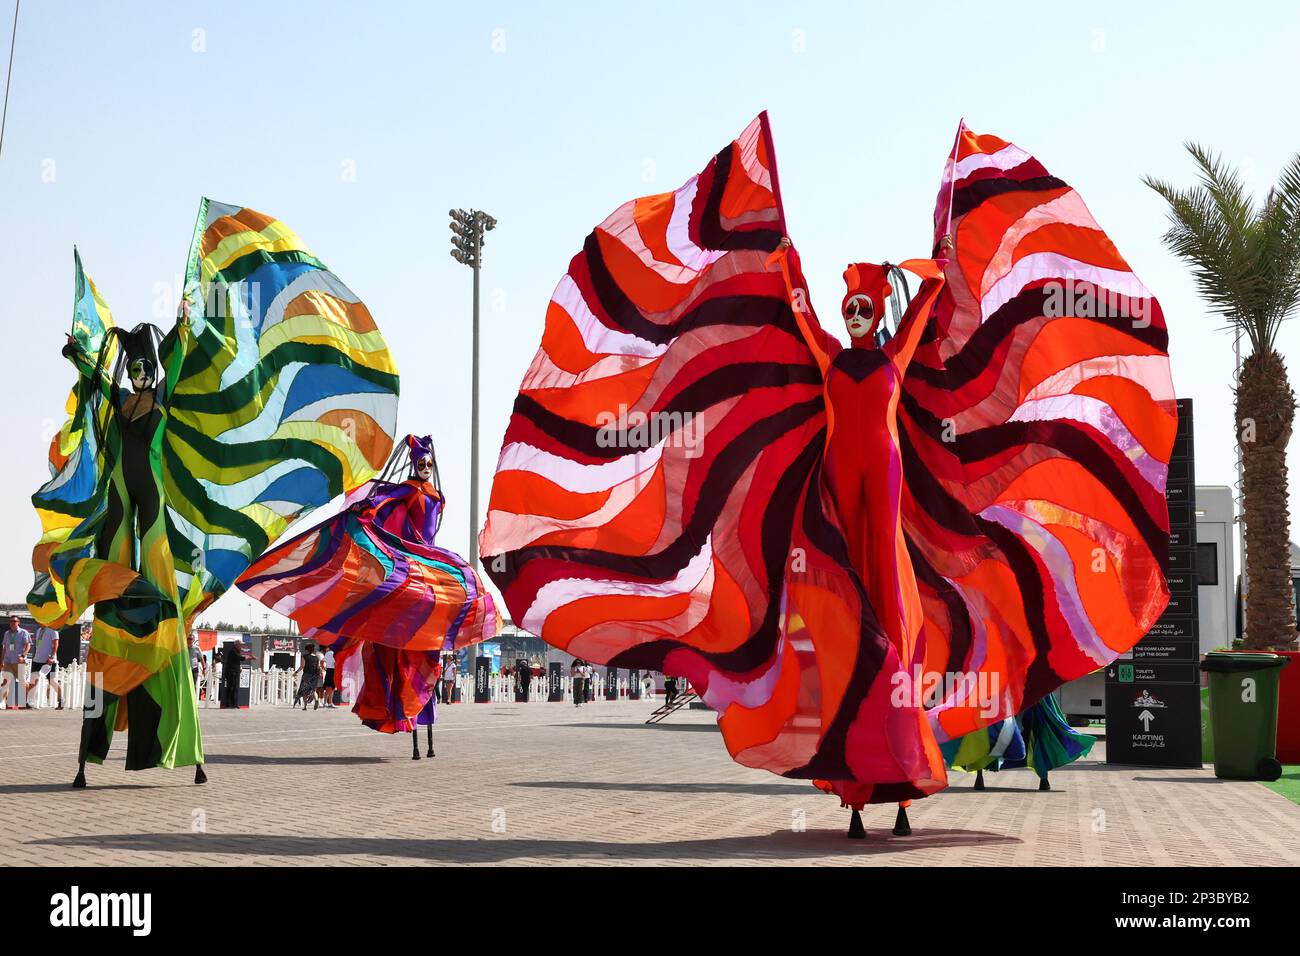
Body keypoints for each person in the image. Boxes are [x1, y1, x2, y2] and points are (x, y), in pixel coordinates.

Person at [24, 623, 62, 709]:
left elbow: (56, 644)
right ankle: (30, 702)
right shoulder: (39, 630)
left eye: (40, 619)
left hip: (49, 660)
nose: (38, 621)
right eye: (37, 620)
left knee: (52, 682)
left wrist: (52, 657)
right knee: (33, 682)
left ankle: (61, 700)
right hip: (37, 660)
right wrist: (35, 656)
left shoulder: (53, 630)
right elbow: (39, 645)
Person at [2, 615, 33, 709]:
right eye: (11, 621)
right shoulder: (7, 633)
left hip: (19, 661)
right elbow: (4, 648)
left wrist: (23, 656)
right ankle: (7, 703)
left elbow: (28, 645)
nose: (12, 623)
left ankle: (25, 702)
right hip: (8, 661)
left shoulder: (23, 632)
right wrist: (1, 660)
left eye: (14, 621)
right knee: (6, 681)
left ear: (18, 622)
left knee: (22, 682)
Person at [294, 646, 321, 710]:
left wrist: (296, 672)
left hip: (306, 675)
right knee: (313, 690)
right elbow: (318, 667)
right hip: (314, 676)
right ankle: (316, 700)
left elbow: (302, 666)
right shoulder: (317, 658)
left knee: (304, 691)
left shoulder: (305, 657)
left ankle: (305, 707)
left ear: (307, 650)